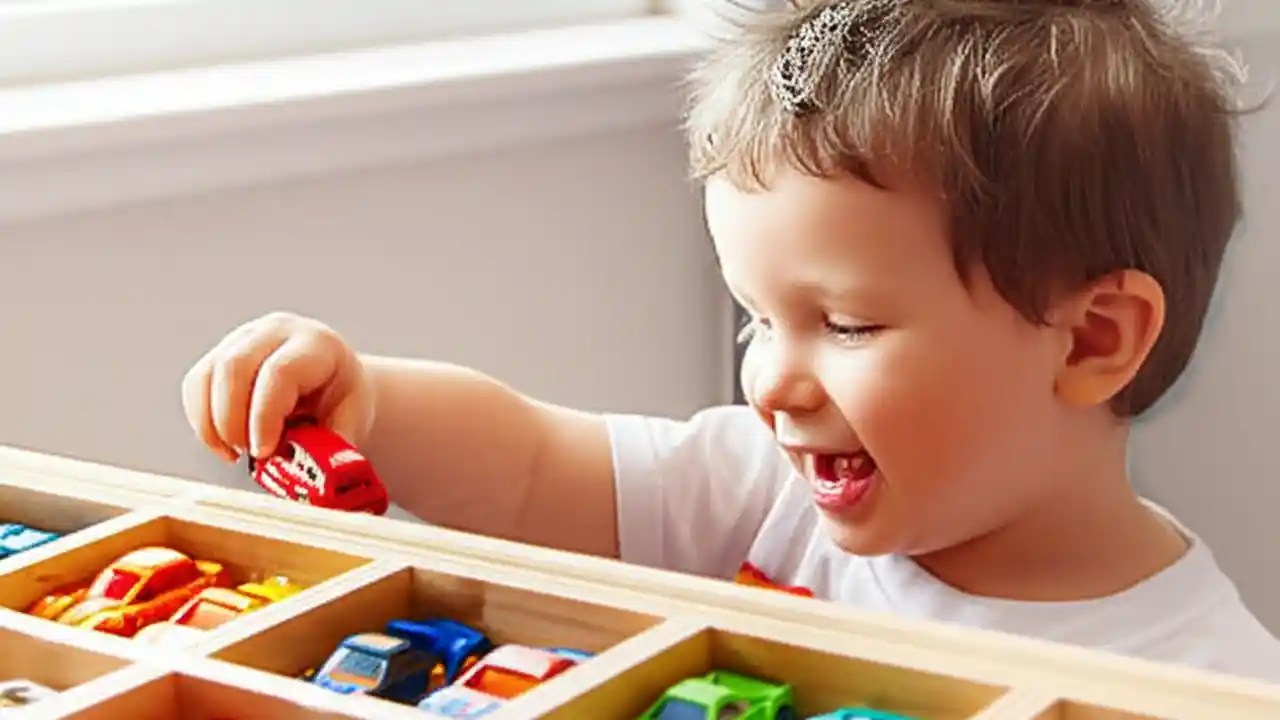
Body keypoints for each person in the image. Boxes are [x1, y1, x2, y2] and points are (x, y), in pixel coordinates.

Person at [181, 0, 1280, 682]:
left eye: (844, 324)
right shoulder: (761, 492)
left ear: (1090, 337)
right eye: (757, 317)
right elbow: (524, 469)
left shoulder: (1201, 685)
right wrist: (368, 398)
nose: (768, 381)